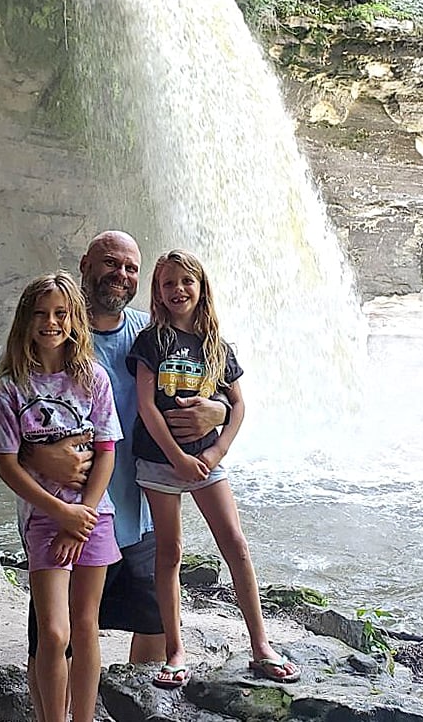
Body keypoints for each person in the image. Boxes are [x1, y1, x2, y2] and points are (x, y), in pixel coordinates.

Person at [0, 232, 228, 717]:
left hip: (136, 509)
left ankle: (128, 708)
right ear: (86, 264)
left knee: (148, 625)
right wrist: (38, 455)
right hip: (55, 513)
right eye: (111, 263)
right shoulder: (40, 339)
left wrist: (215, 411)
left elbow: (219, 381)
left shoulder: (149, 333)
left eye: (132, 268)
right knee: (53, 634)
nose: (121, 275)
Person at [126, 249, 301, 689]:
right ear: (158, 293)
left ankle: (260, 645)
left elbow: (238, 405)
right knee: (170, 552)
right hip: (159, 461)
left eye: (187, 282)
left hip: (208, 462)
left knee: (236, 545)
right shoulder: (150, 341)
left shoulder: (217, 346)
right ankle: (176, 651)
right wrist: (177, 457)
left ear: (202, 288)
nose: (178, 290)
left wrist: (215, 453)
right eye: (168, 284)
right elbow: (146, 406)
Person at [0, 272, 123, 722]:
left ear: (75, 320)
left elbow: (106, 452)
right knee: (54, 633)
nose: (51, 322)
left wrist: (82, 513)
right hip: (44, 517)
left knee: (86, 627)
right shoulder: (10, 386)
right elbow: (6, 464)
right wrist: (61, 512)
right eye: (41, 314)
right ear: (25, 320)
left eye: (61, 314)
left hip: (93, 514)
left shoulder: (93, 378)